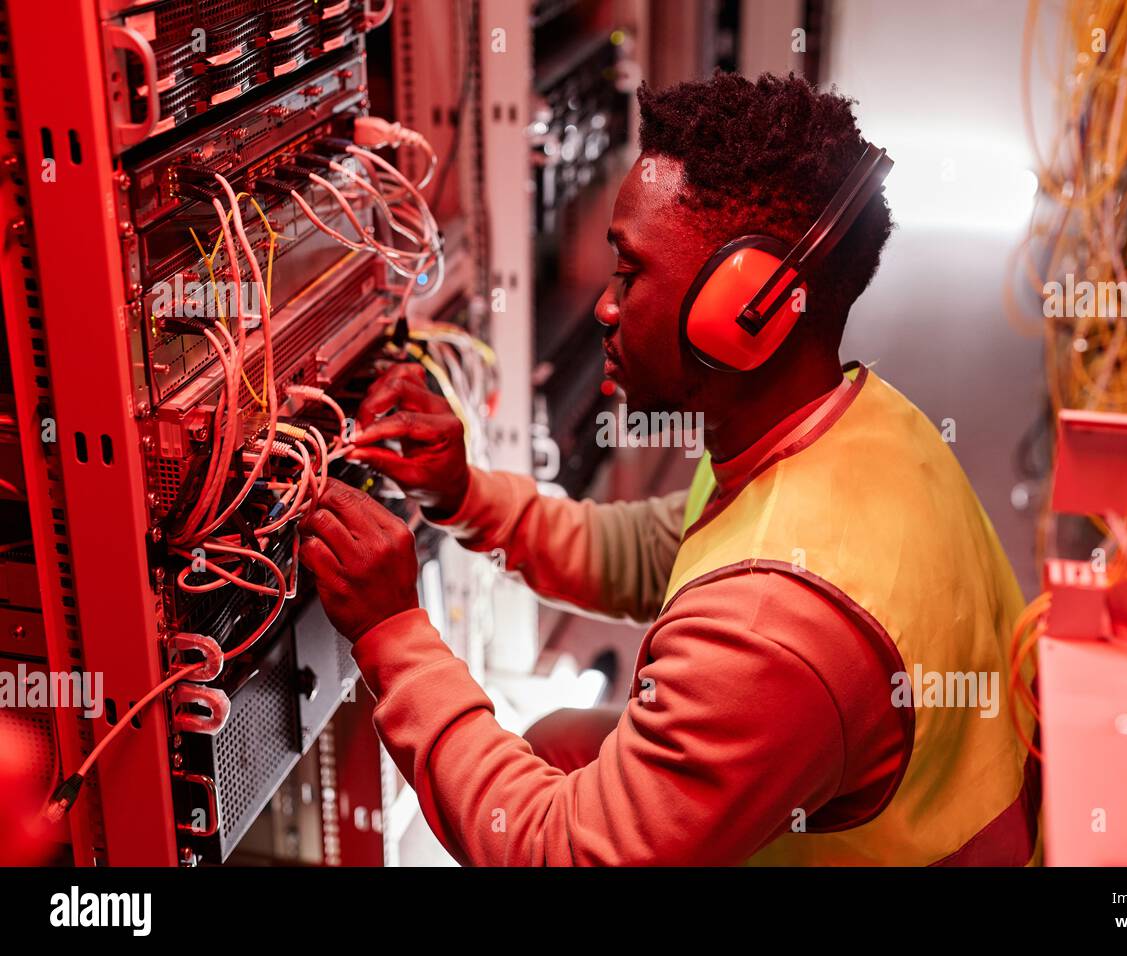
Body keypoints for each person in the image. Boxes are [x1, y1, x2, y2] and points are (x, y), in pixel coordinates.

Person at [299, 71, 1039, 865]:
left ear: (744, 313)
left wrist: (394, 632)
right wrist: (464, 494)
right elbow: (659, 550)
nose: (604, 308)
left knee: (555, 781)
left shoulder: (772, 634)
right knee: (561, 741)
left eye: (630, 271)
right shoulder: (859, 423)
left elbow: (555, 853)